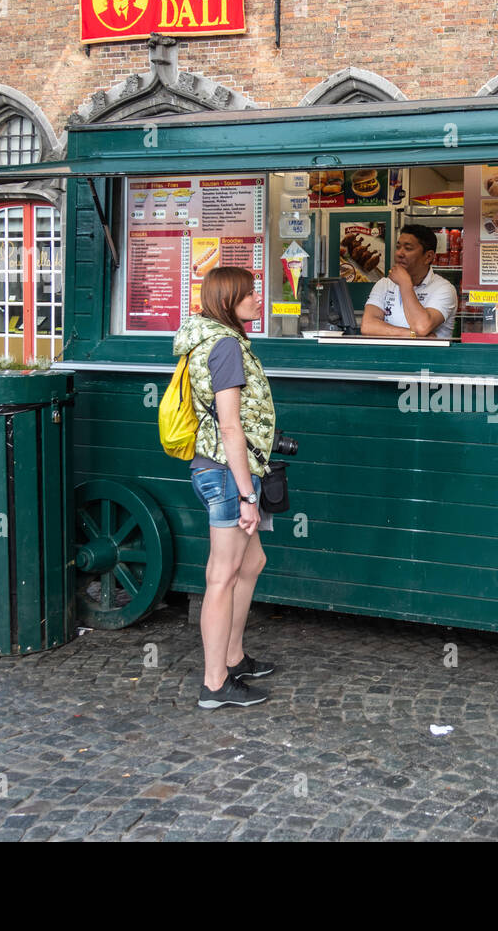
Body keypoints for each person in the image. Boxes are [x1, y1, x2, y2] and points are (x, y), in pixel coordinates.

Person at [173, 267, 278, 709]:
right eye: (250, 294)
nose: (257, 300)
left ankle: (234, 657)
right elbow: (231, 427)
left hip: (221, 469)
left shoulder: (205, 339)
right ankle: (215, 684)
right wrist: (247, 495)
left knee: (251, 562)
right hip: (226, 473)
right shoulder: (226, 347)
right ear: (229, 301)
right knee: (222, 576)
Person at [360, 224, 458, 339]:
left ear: (428, 257)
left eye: (408, 248)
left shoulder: (444, 288)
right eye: (398, 247)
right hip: (389, 355)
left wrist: (405, 283)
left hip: (429, 356)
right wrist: (411, 334)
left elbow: (422, 327)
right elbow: (367, 326)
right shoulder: (384, 284)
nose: (399, 253)